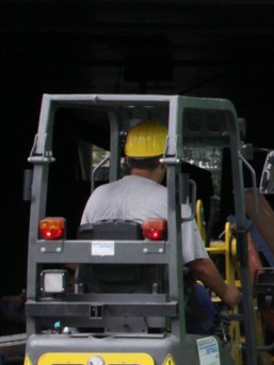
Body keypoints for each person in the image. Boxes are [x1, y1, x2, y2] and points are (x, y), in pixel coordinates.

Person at [80, 119, 241, 309]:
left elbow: (82, 252)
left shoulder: (98, 196)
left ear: (128, 159)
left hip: (100, 300)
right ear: (164, 161)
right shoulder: (171, 203)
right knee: (205, 310)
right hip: (155, 304)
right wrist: (226, 291)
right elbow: (199, 266)